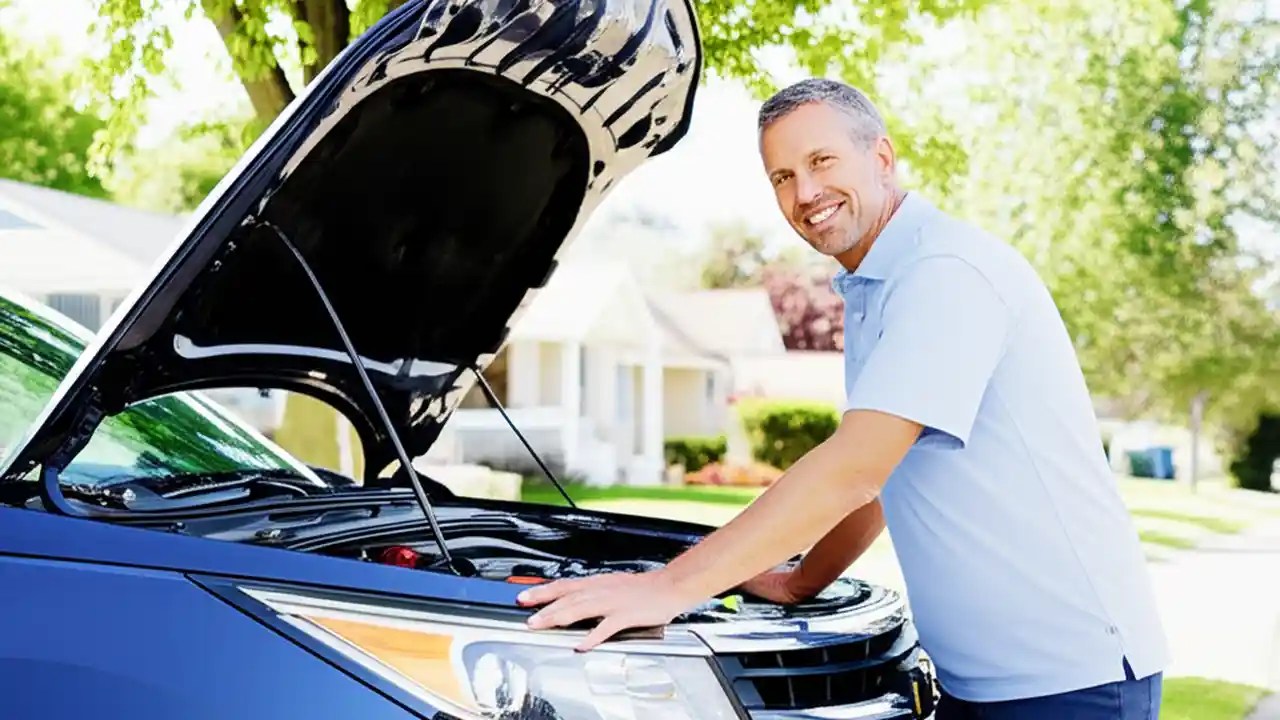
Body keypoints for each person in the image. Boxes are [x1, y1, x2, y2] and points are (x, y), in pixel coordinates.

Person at [517, 77, 1168, 719]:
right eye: (781, 177)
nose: (805, 193)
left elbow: (853, 469)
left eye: (821, 161)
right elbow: (886, 474)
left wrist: (667, 588)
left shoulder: (944, 274)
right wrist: (802, 580)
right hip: (979, 686)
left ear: (881, 158)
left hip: (1070, 686)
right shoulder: (874, 287)